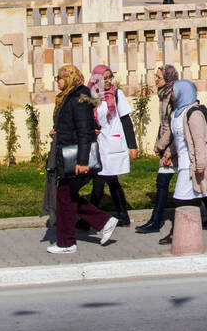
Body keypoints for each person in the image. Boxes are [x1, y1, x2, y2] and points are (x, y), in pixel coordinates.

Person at [47, 64, 118, 254]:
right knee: (67, 197)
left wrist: (82, 161)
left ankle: (67, 242)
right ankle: (103, 221)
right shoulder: (70, 96)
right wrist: (58, 130)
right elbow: (71, 125)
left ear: (69, 77)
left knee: (64, 197)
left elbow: (85, 131)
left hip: (77, 157)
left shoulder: (78, 98)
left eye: (59, 78)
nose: (57, 81)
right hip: (67, 153)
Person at [158, 80, 207, 244]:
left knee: (180, 198)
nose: (172, 94)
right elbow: (178, 139)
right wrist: (168, 153)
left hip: (193, 161)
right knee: (206, 192)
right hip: (184, 159)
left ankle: (176, 233)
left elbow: (199, 141)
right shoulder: (177, 113)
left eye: (174, 91)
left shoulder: (194, 114)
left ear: (182, 92)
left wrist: (200, 166)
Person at [88, 64, 137, 227]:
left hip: (113, 143)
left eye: (110, 77)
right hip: (99, 143)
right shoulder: (91, 96)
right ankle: (122, 215)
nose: (108, 81)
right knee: (108, 181)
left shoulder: (117, 95)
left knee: (102, 182)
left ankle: (89, 219)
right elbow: (88, 118)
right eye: (104, 78)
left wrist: (132, 145)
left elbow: (125, 120)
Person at [136, 65, 180, 233]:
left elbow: (172, 127)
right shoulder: (163, 95)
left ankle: (156, 222)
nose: (155, 80)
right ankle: (155, 220)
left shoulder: (172, 96)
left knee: (164, 183)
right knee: (163, 183)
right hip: (168, 147)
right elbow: (163, 125)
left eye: (158, 77)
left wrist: (164, 149)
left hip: (174, 148)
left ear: (167, 79)